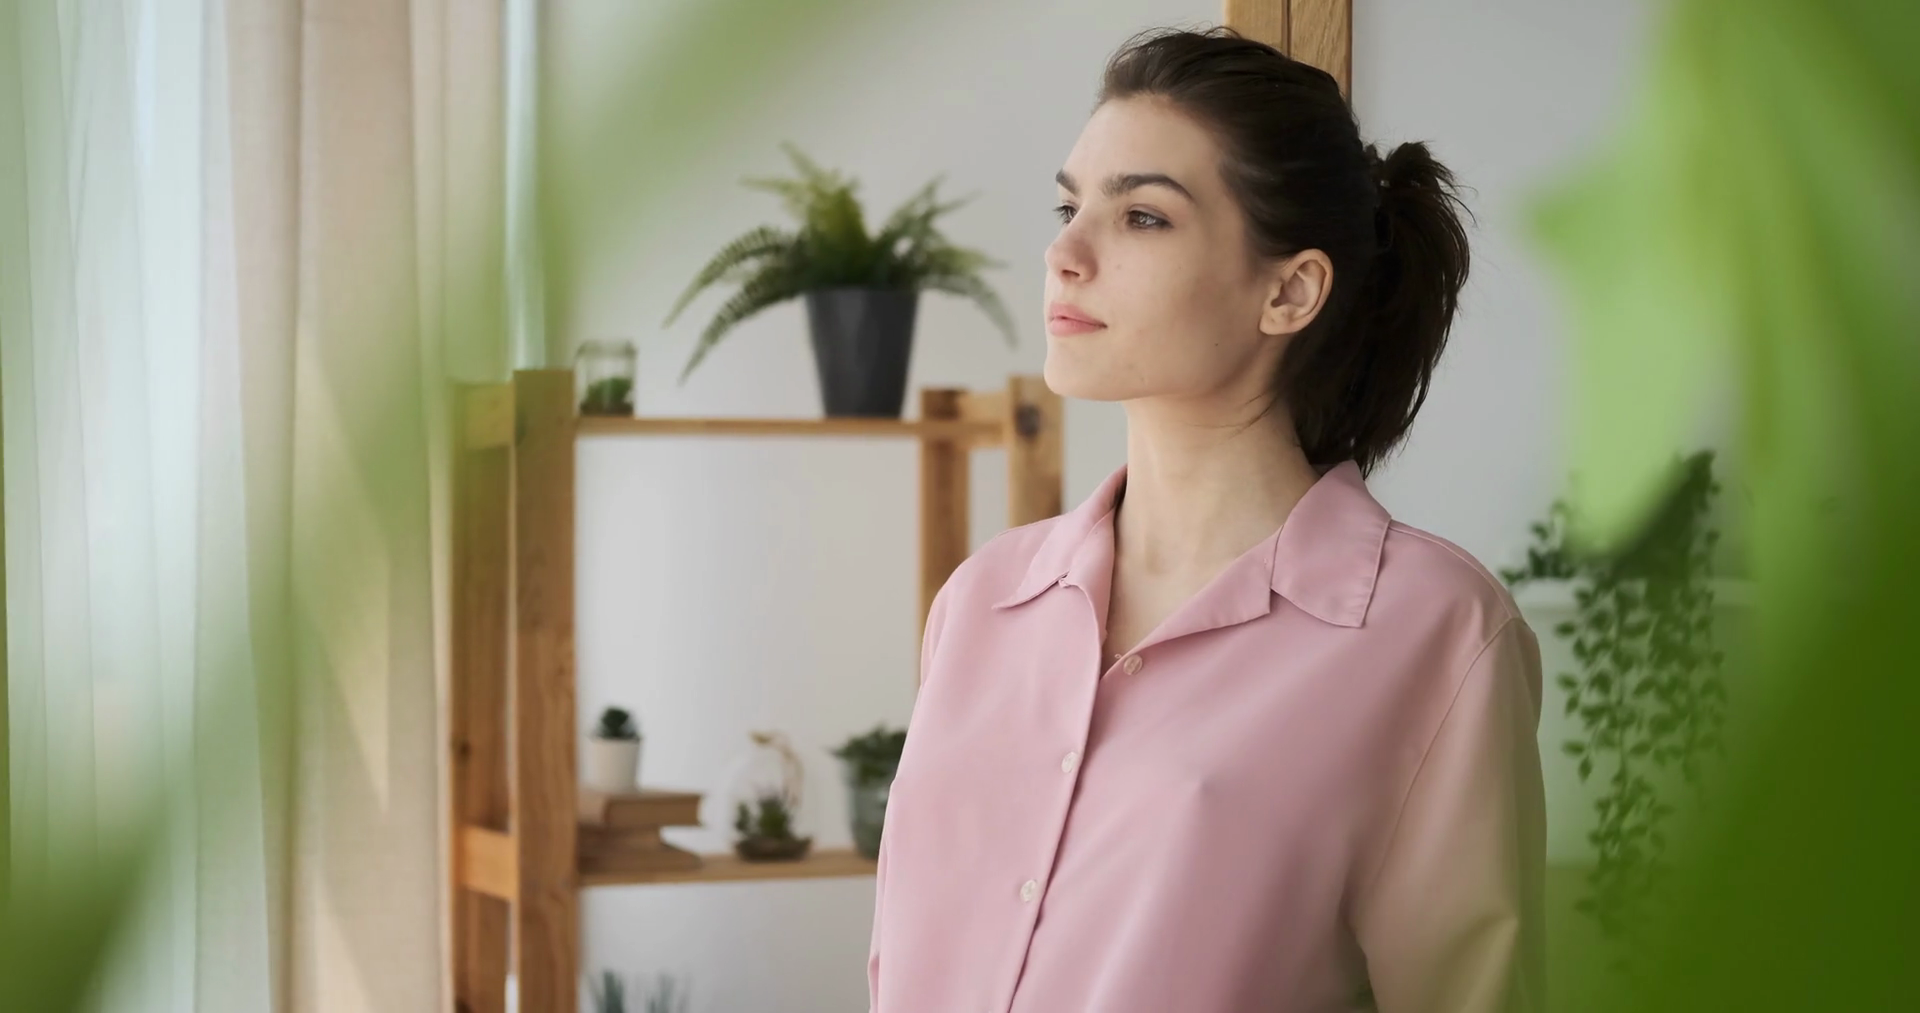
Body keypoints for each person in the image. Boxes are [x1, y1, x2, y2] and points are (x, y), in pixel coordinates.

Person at [868, 26, 1544, 1013]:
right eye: (1069, 205)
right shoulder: (983, 602)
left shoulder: (1434, 631)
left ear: (1289, 289)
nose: (1064, 252)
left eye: (1142, 216)